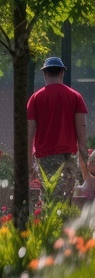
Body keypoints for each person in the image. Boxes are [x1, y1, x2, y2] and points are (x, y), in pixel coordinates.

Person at [27, 56, 89, 203]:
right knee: (67, 195)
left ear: (45, 74)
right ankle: (65, 225)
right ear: (62, 73)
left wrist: (30, 164)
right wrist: (84, 163)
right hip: (69, 154)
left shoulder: (35, 98)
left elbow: (29, 134)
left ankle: (52, 224)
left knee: (50, 196)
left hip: (45, 155)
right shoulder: (75, 96)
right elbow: (82, 129)